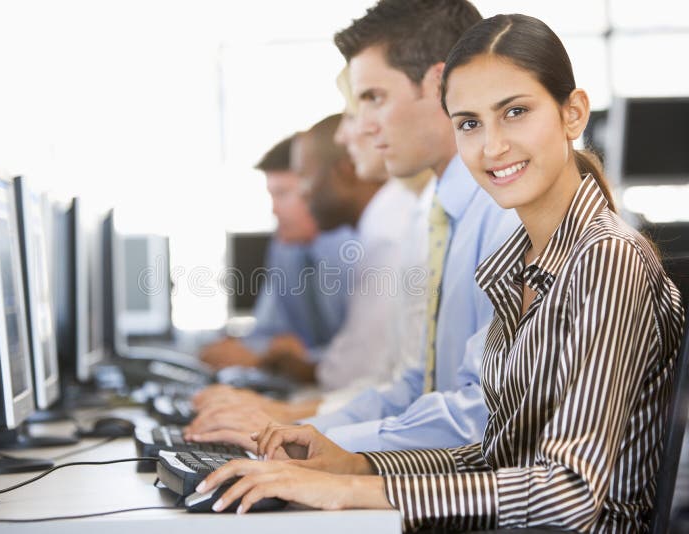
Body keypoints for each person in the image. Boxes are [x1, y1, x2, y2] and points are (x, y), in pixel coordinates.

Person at [195, 13, 685, 532]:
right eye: (469, 123)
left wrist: (351, 490)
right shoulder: (521, 260)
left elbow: (569, 493)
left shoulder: (606, 257)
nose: (491, 146)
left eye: (515, 112)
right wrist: (354, 462)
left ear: (573, 113)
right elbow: (494, 454)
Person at [190, 0, 519, 453]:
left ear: (441, 84)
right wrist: (302, 434)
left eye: (373, 98)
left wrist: (336, 458)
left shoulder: (506, 213)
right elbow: (413, 389)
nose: (359, 129)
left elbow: (485, 418)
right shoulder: (435, 215)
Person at [200, 135, 355, 370]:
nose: (274, 210)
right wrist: (255, 349)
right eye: (271, 195)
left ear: (315, 186)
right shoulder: (284, 248)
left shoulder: (352, 246)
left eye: (282, 194)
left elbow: (363, 355)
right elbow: (267, 331)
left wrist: (299, 358)